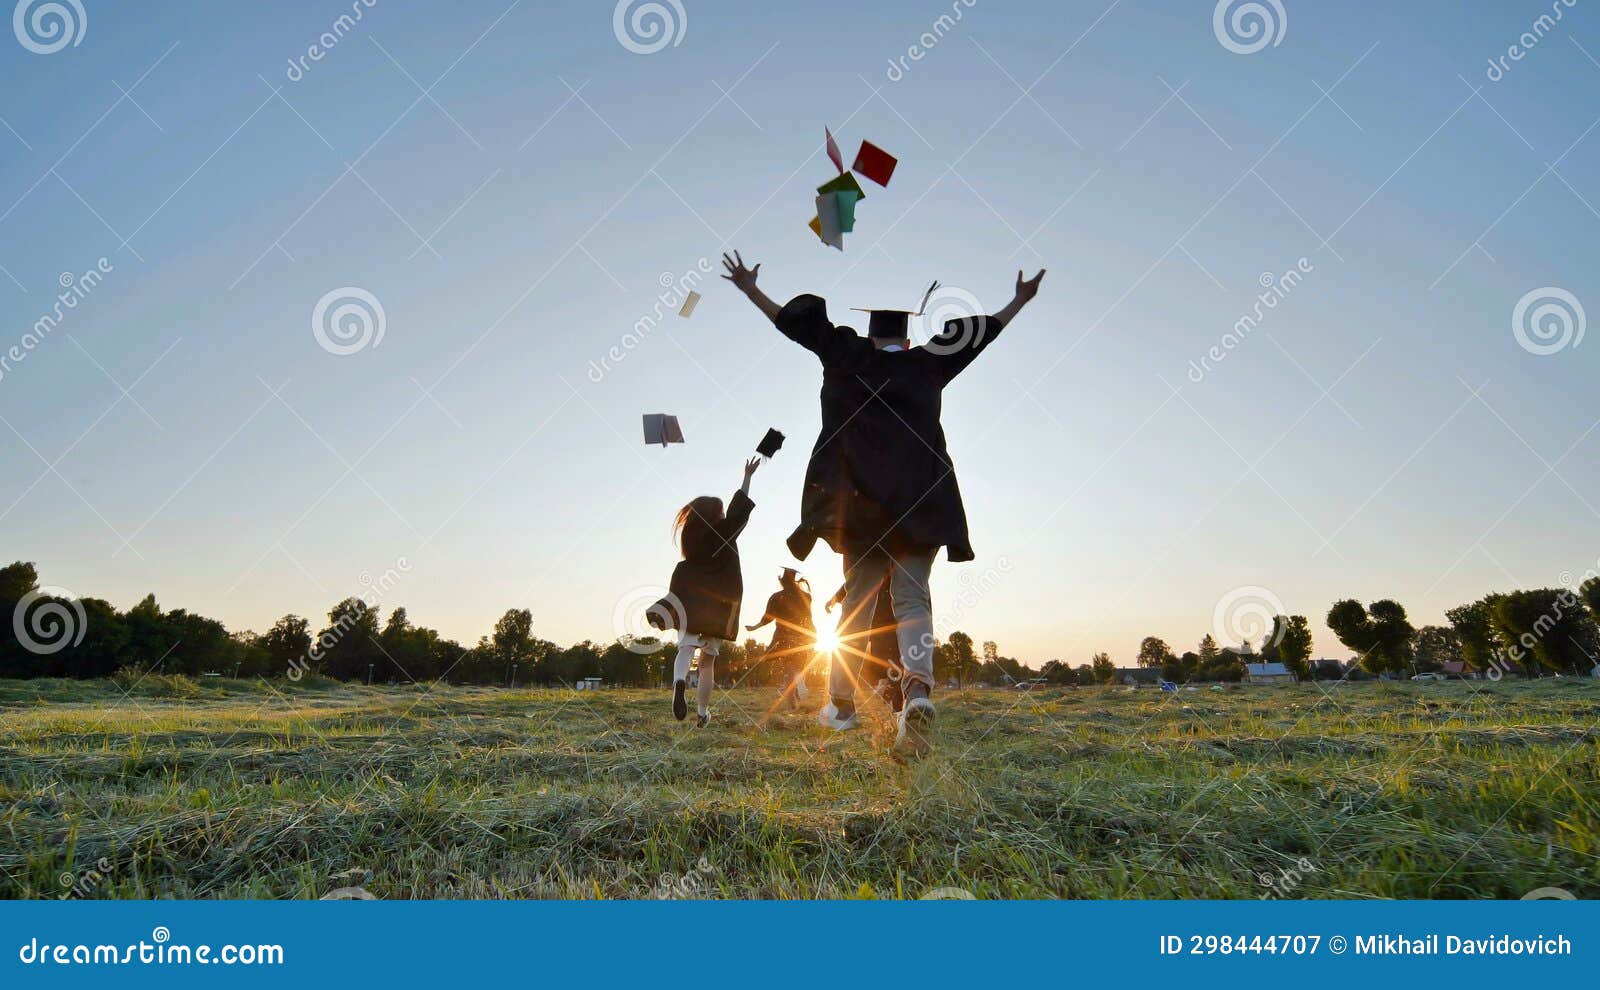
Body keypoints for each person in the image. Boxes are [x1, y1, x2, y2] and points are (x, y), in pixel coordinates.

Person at [721, 251, 1044, 756]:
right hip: (919, 501)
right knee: (913, 601)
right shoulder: (927, 363)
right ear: (909, 339)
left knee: (857, 602)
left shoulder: (848, 355)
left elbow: (797, 326)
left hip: (861, 503)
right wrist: (1017, 301)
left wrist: (749, 289)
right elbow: (980, 337)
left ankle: (842, 707)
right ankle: (916, 692)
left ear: (871, 335)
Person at [648, 456, 762, 727]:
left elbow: (732, 513)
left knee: (685, 649)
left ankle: (678, 683)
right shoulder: (723, 534)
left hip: (692, 604)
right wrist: (747, 478)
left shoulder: (693, 541)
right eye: (720, 512)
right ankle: (701, 712)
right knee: (708, 663)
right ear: (716, 515)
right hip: (717, 608)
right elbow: (738, 513)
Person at [826, 578, 902, 714]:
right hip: (880, 625)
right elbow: (856, 579)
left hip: (894, 624)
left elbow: (857, 579)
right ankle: (888, 687)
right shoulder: (877, 567)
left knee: (894, 664)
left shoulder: (897, 568)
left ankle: (897, 706)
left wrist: (835, 598)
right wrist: (835, 598)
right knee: (883, 662)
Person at [746, 568, 816, 711]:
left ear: (782, 581)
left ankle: (792, 700)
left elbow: (767, 617)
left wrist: (754, 627)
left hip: (784, 638)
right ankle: (796, 690)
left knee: (790, 668)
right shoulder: (806, 596)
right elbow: (809, 617)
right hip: (803, 636)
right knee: (797, 667)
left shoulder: (777, 597)